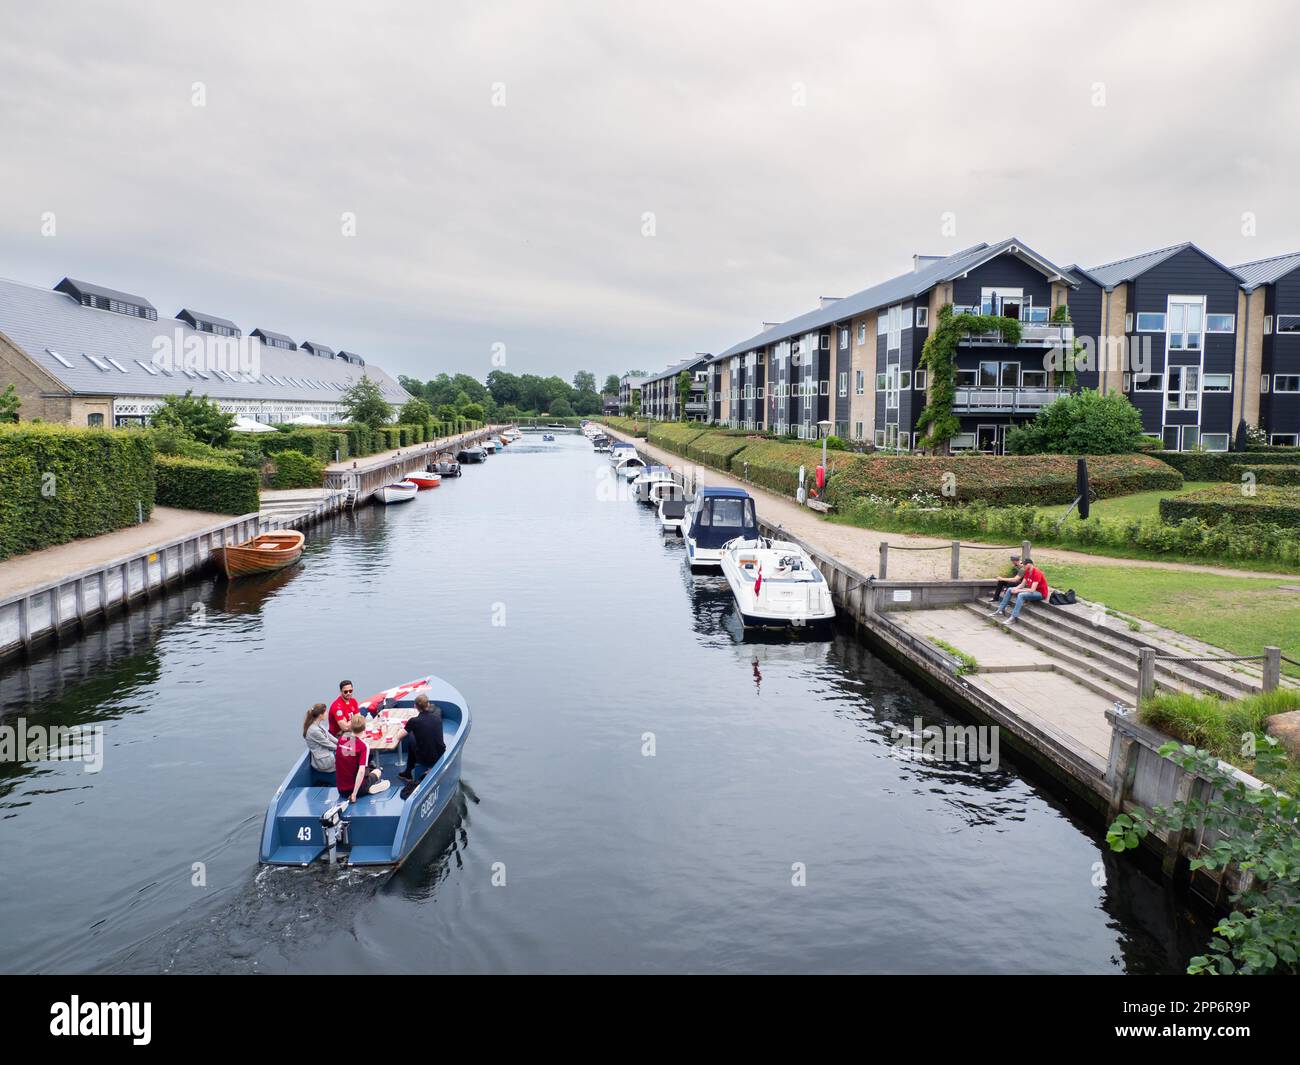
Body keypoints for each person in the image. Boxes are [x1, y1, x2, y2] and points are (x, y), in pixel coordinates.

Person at [397, 694, 445, 799]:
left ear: (415, 706)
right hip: (440, 755)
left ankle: (408, 771)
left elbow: (399, 736)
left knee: (411, 738)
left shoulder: (413, 721)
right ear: (428, 705)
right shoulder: (437, 717)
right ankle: (408, 771)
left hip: (425, 759)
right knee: (415, 736)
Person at [335, 715, 390, 803]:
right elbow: (361, 771)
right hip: (356, 790)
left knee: (361, 768)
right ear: (364, 728)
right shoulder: (363, 746)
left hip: (341, 790)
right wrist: (354, 794)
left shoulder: (342, 739)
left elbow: (350, 752)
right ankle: (369, 788)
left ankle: (368, 787)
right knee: (378, 771)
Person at [990, 557, 1050, 624]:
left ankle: (1013, 617)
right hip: (1033, 591)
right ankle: (1000, 610)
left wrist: (1018, 591)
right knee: (1010, 589)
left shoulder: (1037, 573)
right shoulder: (1027, 572)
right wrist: (1016, 588)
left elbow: (1032, 590)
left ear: (1030, 564)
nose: (1023, 566)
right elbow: (1022, 584)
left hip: (1040, 593)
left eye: (1025, 565)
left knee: (1021, 595)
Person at [303, 703, 336, 785]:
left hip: (327, 754)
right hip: (324, 761)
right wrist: (344, 748)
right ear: (320, 715)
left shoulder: (319, 725)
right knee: (349, 757)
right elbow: (328, 744)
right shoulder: (314, 730)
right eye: (325, 712)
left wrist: (343, 743)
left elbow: (330, 736)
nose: (327, 713)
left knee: (349, 754)